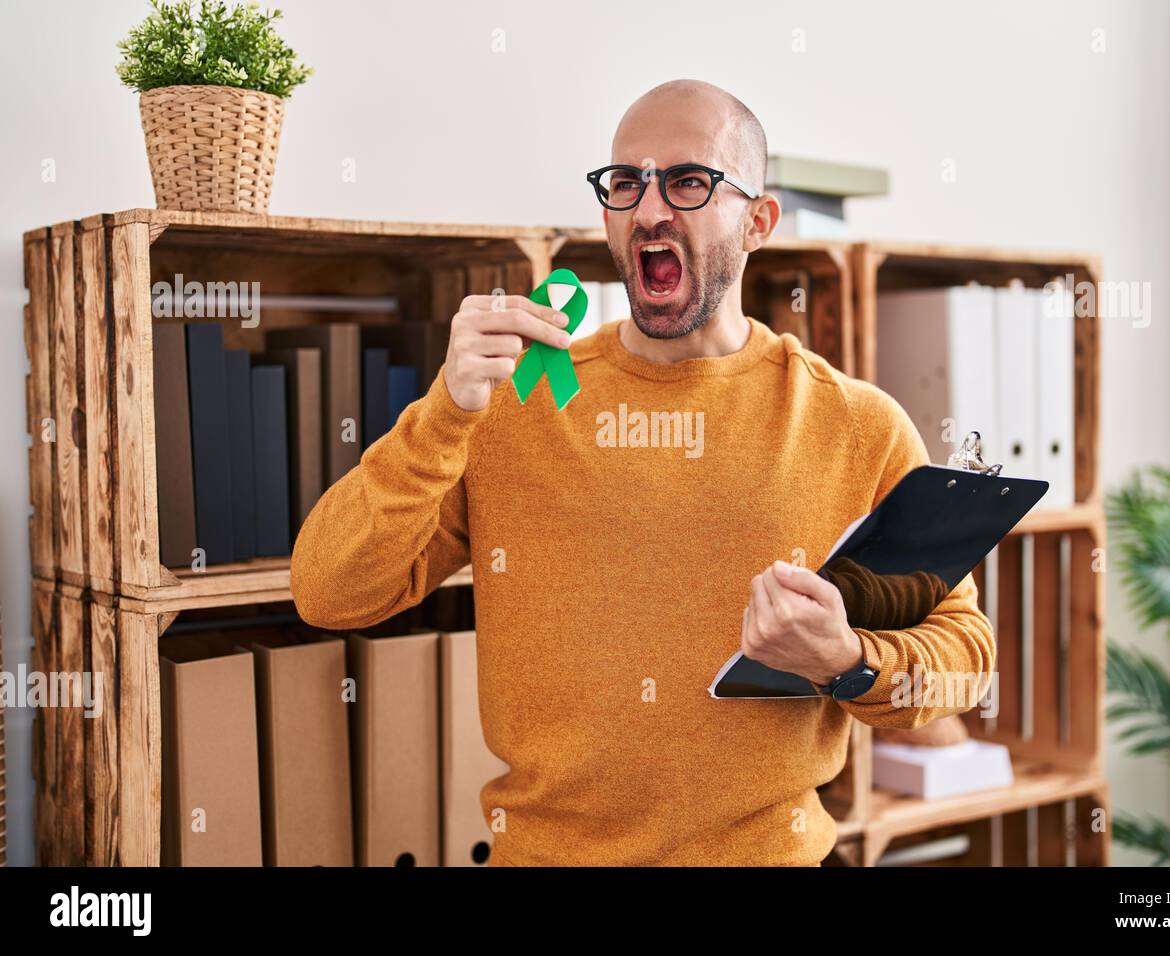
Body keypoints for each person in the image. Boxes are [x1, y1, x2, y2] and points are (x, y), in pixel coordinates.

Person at [291, 79, 995, 866]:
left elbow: (965, 664)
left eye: (689, 182)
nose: (649, 210)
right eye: (625, 183)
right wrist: (443, 412)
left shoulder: (854, 425)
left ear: (758, 220)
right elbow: (329, 592)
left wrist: (848, 661)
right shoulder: (522, 400)